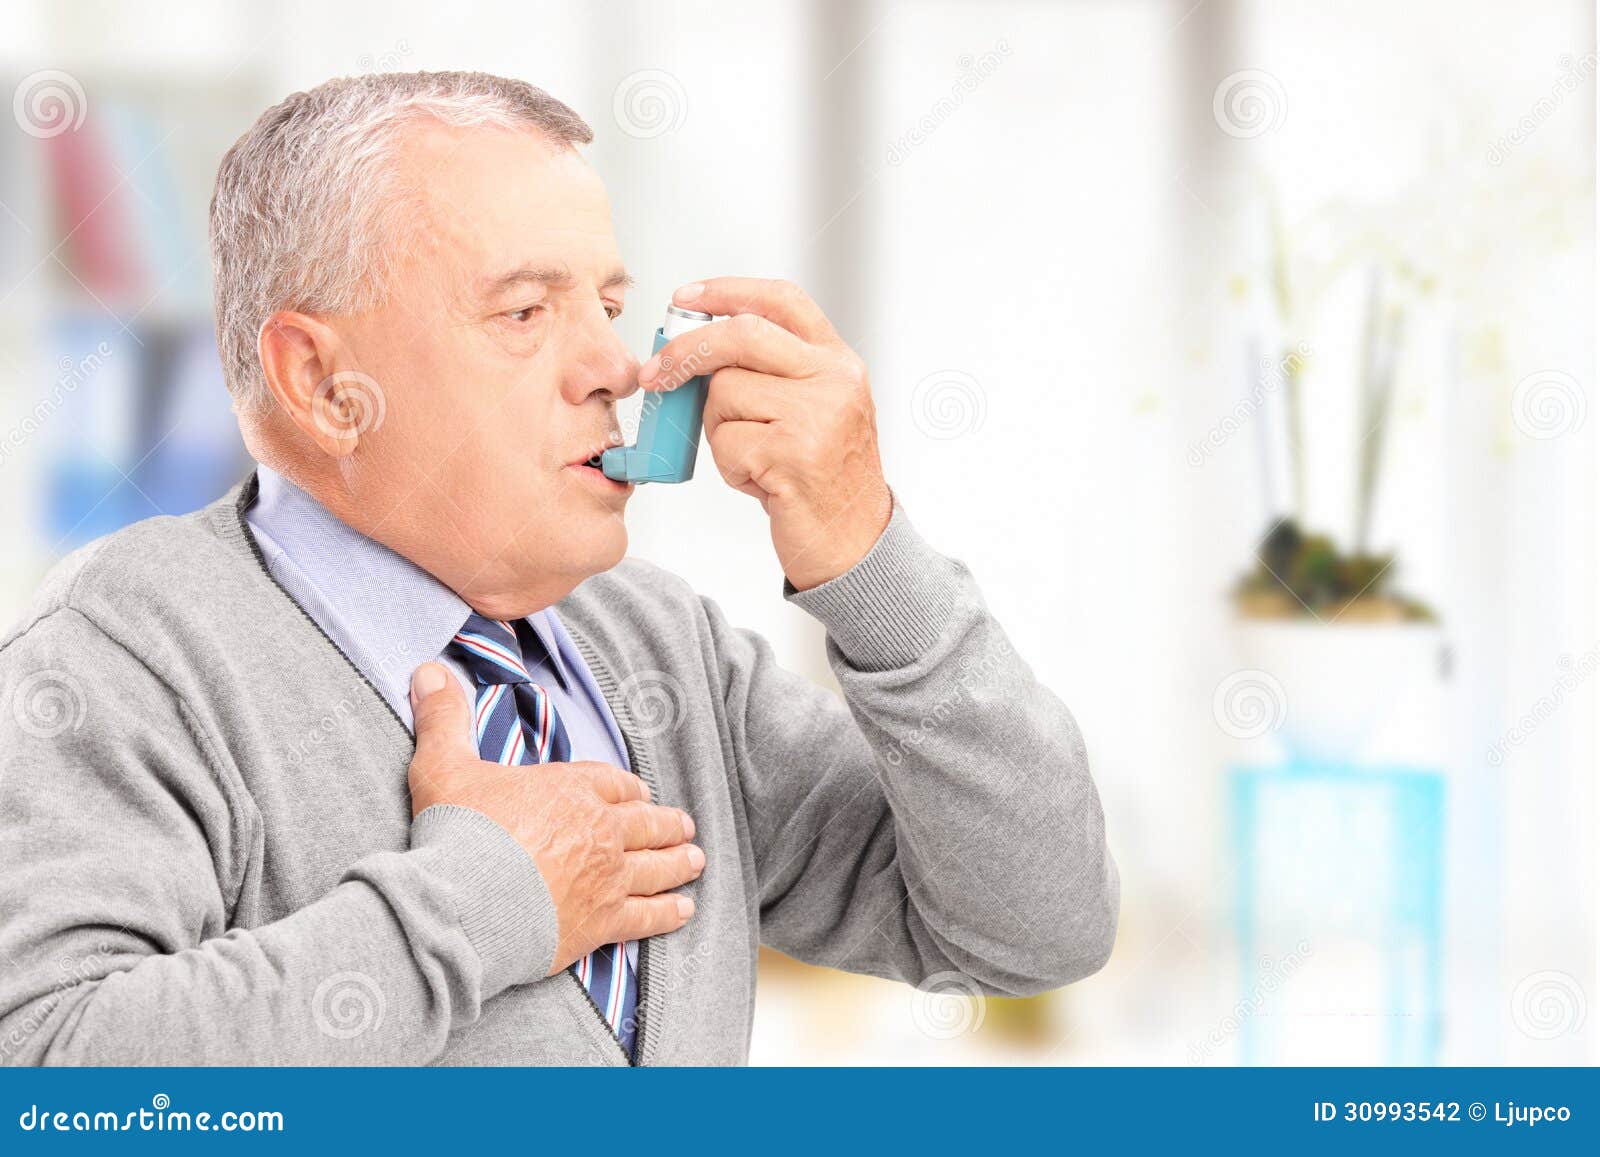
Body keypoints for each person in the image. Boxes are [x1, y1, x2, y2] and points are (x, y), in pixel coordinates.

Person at [0, 71, 1117, 1065]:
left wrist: (869, 562)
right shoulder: (125, 656)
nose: (614, 366)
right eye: (526, 310)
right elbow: (50, 1077)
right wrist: (484, 901)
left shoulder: (658, 644)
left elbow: (1034, 924)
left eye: (612, 306)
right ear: (321, 381)